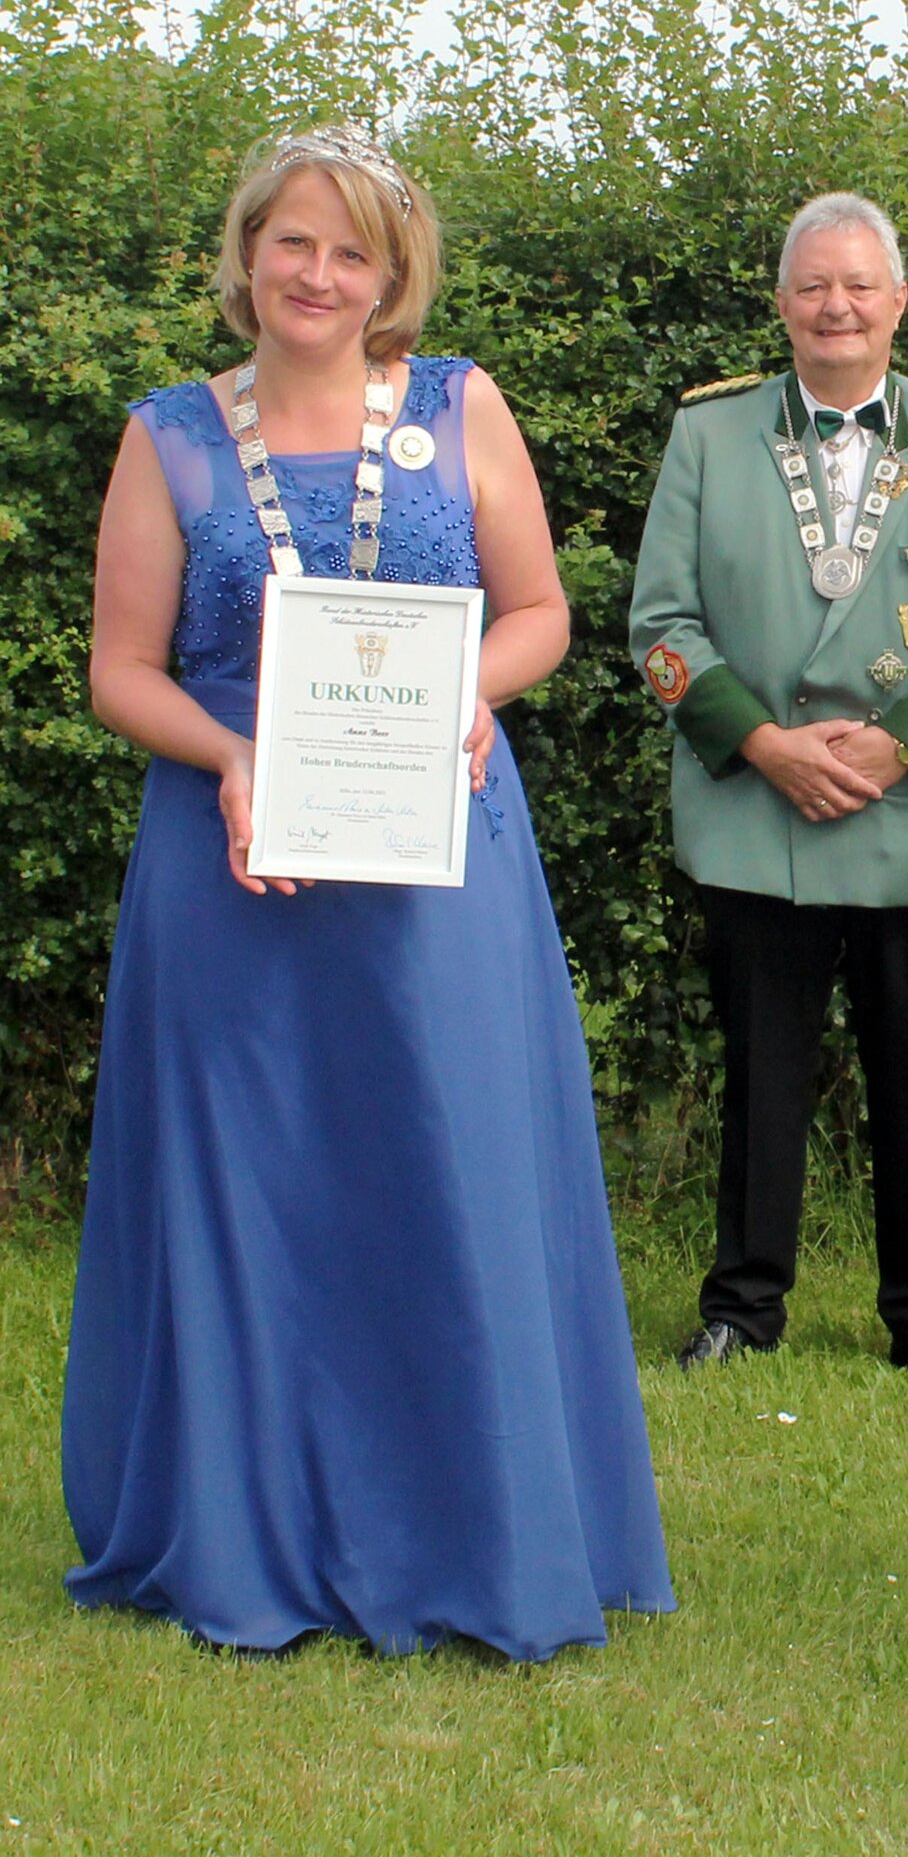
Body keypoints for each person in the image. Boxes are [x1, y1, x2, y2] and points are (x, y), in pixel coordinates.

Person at [62, 124, 674, 1659]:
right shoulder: (170, 436)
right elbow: (119, 670)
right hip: (236, 863)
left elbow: (537, 611)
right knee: (251, 1189)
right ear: (247, 254)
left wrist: (469, 690)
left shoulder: (464, 406)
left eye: (352, 252)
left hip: (437, 857)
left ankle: (478, 1524)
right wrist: (231, 757)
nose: (318, 275)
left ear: (393, 275)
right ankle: (242, 1531)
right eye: (293, 243)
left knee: (447, 1165)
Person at [629, 192, 908, 1378]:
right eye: (813, 285)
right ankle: (742, 1307)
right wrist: (765, 745)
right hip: (756, 808)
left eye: (860, 285)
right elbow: (659, 621)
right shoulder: (708, 434)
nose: (837, 305)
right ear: (781, 303)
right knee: (761, 1069)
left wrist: (903, 740)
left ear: (898, 301)